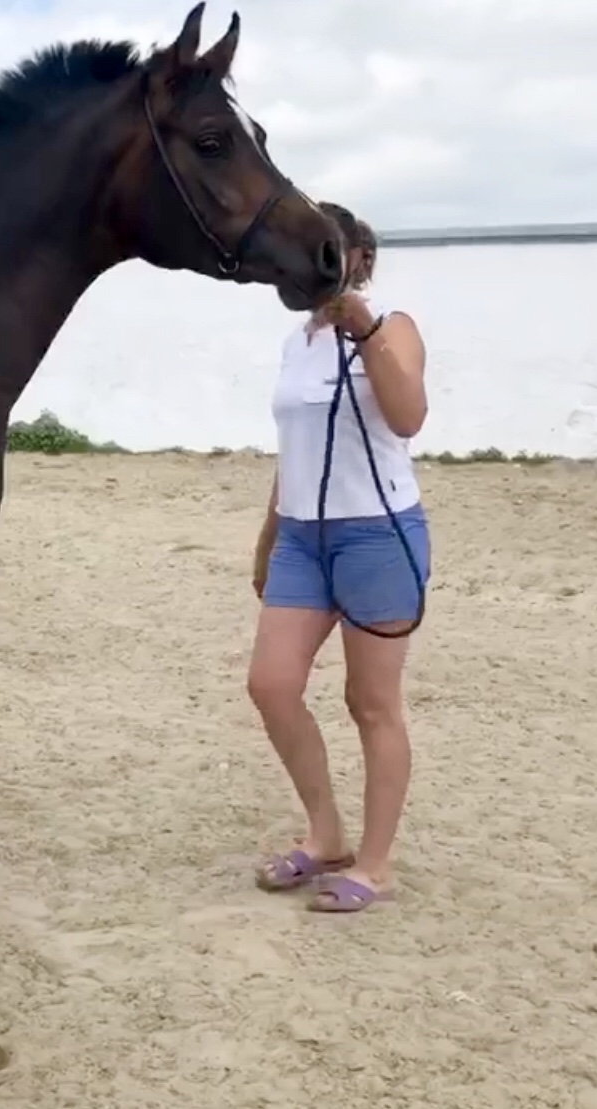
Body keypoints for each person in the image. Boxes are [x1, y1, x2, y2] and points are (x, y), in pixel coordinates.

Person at [246, 201, 430, 912]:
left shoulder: (396, 326)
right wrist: (267, 537)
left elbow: (409, 416)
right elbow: (294, 450)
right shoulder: (296, 343)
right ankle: (327, 834)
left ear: (358, 258)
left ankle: (375, 865)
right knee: (271, 684)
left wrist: (367, 331)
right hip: (302, 535)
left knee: (371, 703)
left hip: (376, 533)